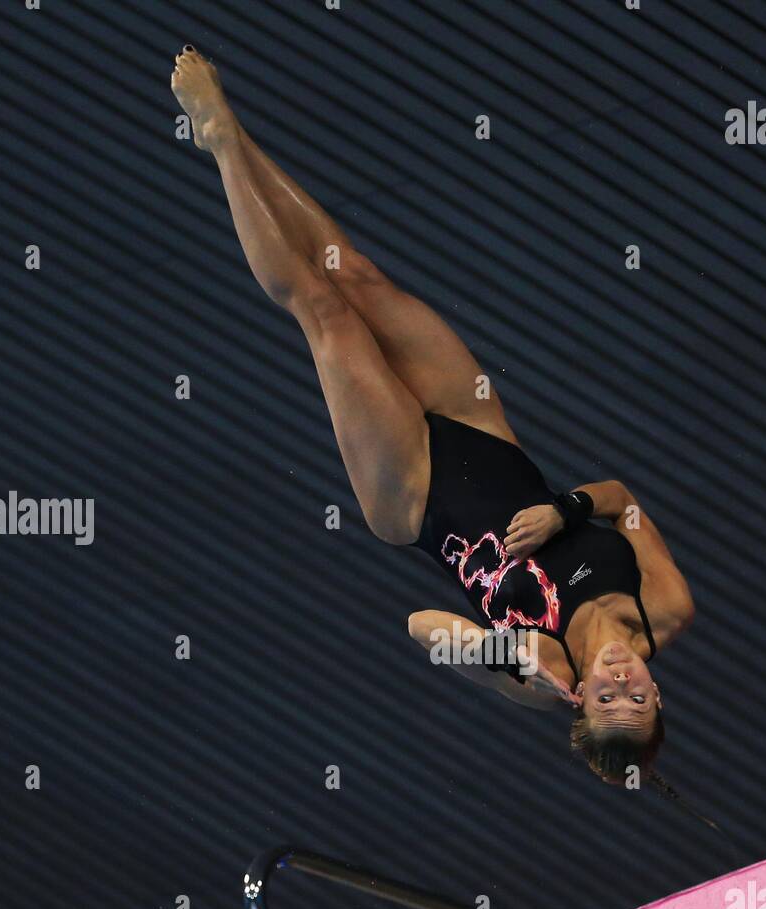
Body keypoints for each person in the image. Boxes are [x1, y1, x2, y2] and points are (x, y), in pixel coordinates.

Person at [171, 48, 695, 787]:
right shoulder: (666, 606)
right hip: (485, 435)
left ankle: (222, 139)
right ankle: (236, 143)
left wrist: (503, 654)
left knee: (326, 316)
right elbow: (624, 502)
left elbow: (419, 627)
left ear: (582, 700)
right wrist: (564, 510)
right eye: (635, 694)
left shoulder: (534, 674)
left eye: (605, 696)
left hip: (414, 497)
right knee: (354, 275)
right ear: (655, 691)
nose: (618, 676)